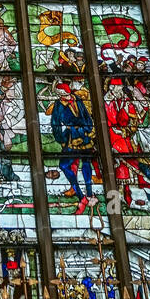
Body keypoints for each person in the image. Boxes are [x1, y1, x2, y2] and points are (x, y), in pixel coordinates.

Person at [49, 82, 96, 215]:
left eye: (61, 93)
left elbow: (86, 115)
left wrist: (88, 128)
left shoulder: (77, 99)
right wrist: (61, 138)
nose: (60, 95)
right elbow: (55, 123)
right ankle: (81, 195)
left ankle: (89, 194)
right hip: (71, 137)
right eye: (59, 94)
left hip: (83, 135)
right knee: (64, 165)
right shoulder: (59, 104)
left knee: (86, 162)